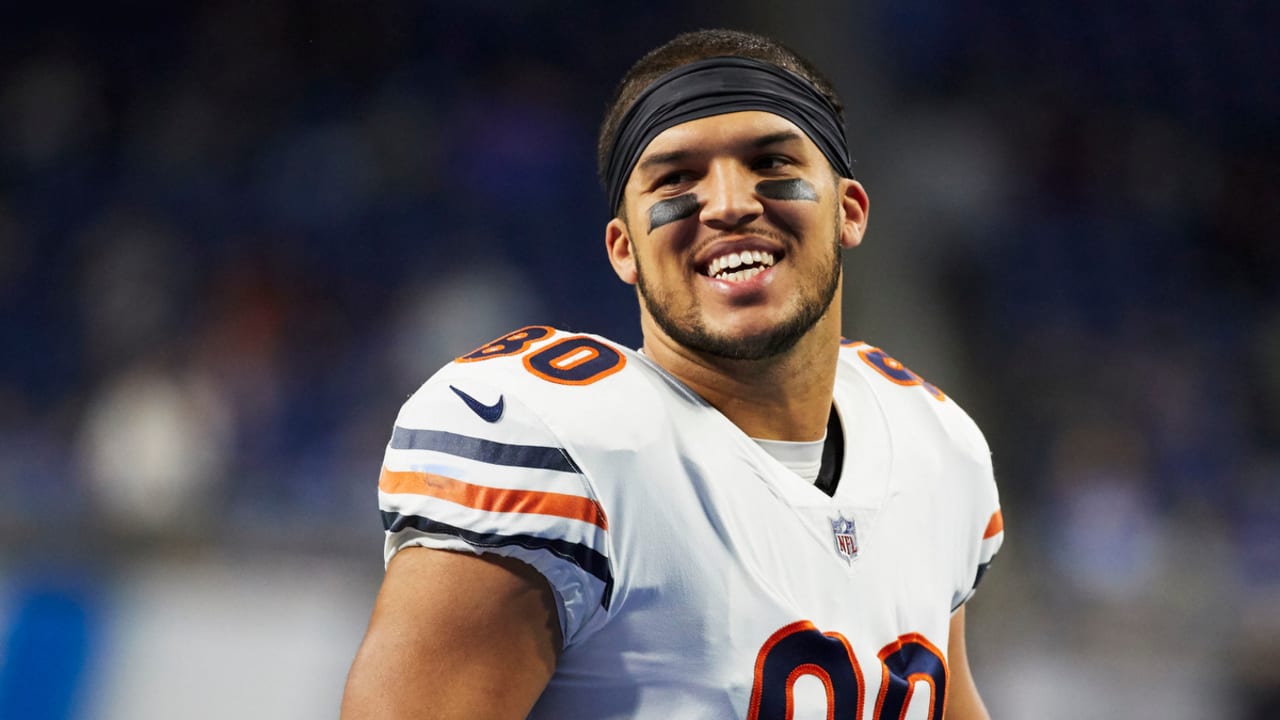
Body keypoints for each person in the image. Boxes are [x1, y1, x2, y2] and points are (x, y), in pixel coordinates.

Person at [341, 28, 1004, 719]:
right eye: (676, 178)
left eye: (770, 160)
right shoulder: (567, 444)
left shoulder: (931, 446)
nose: (727, 204)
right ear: (623, 250)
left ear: (850, 211)